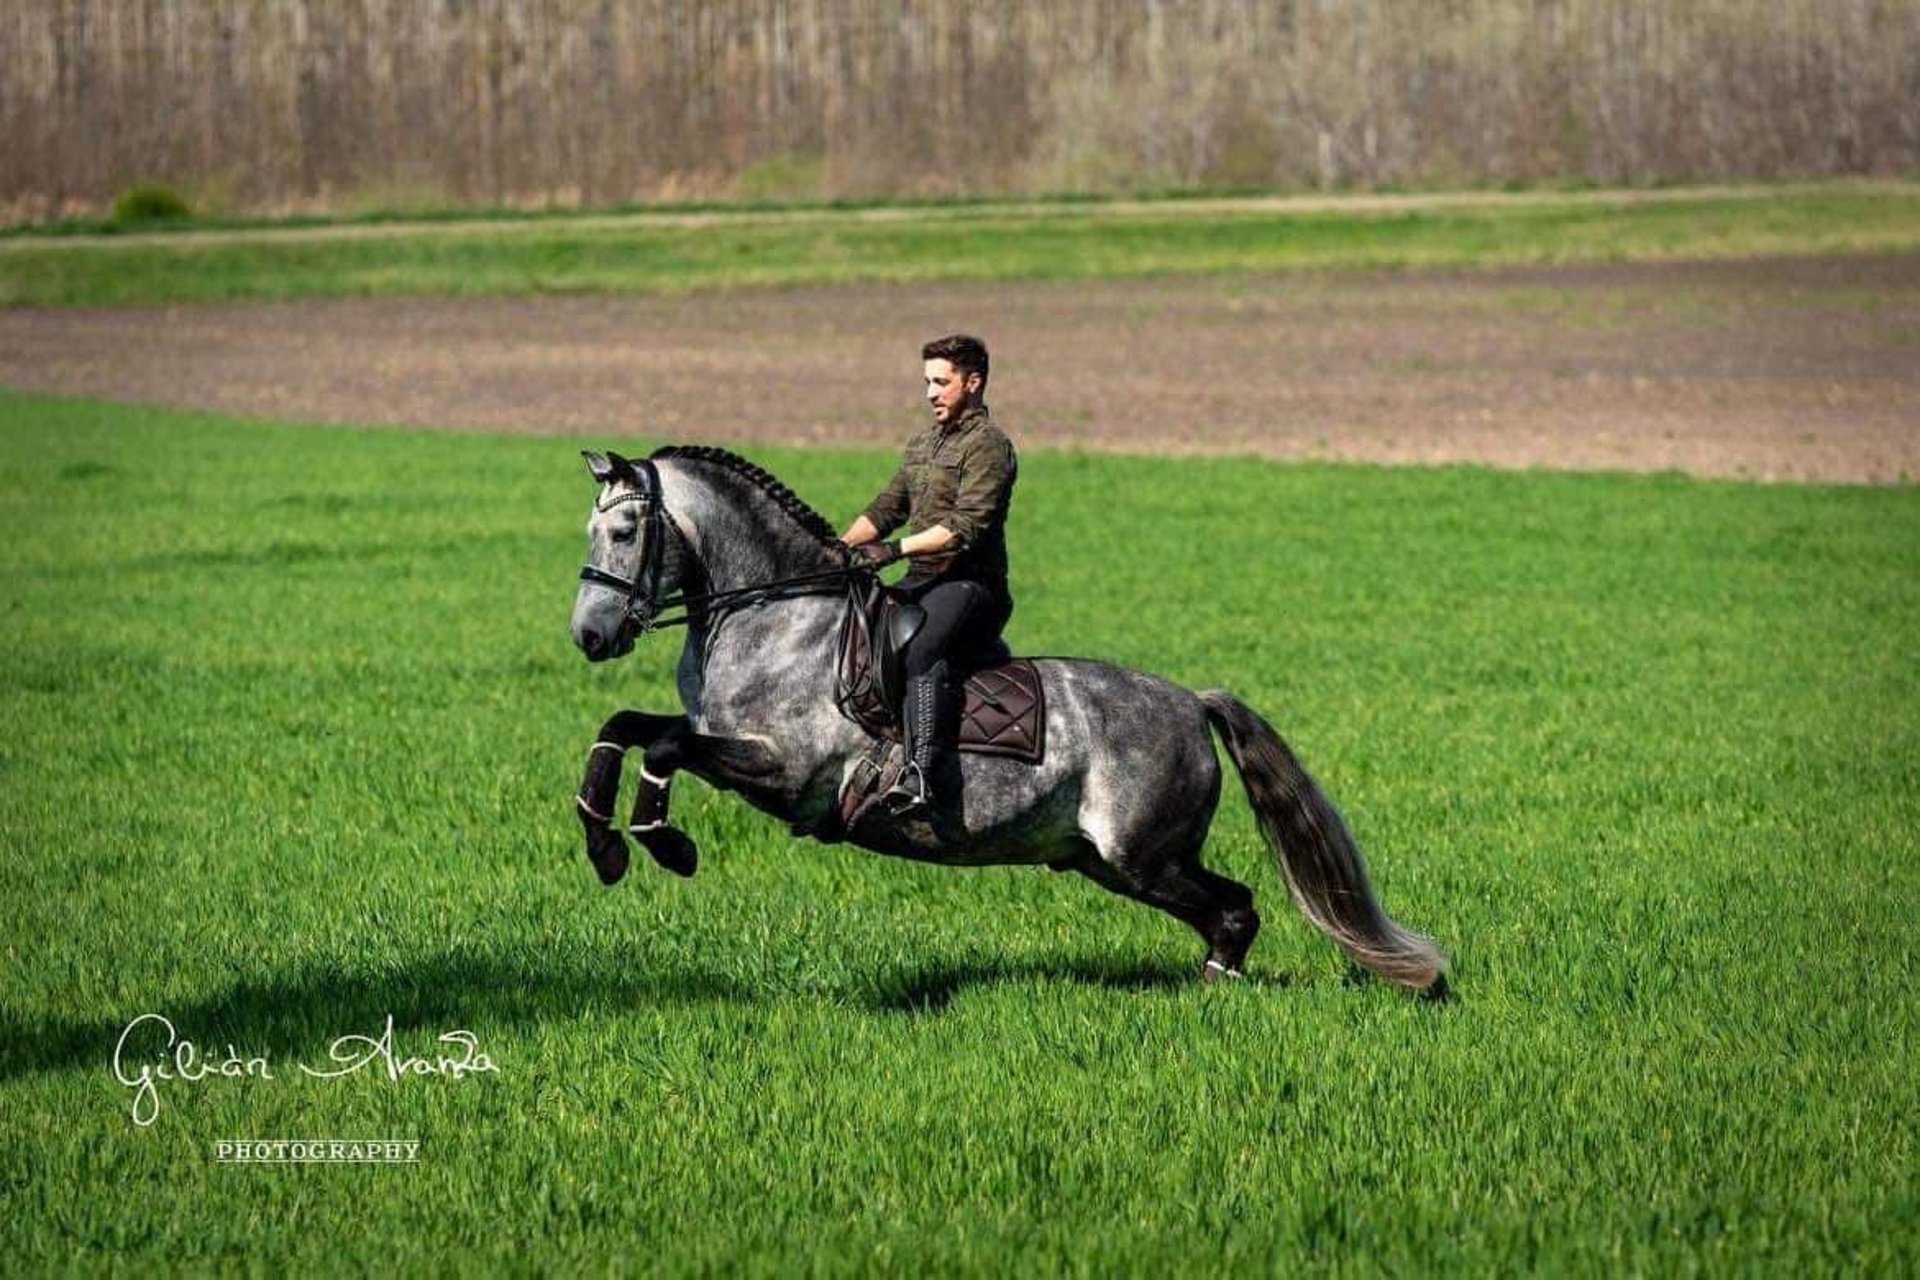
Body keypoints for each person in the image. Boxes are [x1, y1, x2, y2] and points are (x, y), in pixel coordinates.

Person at [840, 333, 1019, 818]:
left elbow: (965, 527)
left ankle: (922, 775)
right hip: (922, 580)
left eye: (941, 382)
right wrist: (838, 548)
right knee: (862, 634)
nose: (930, 393)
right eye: (927, 382)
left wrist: (894, 549)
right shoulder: (923, 443)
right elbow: (888, 507)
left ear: (973, 383)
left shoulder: (989, 447)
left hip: (972, 586)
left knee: (921, 648)